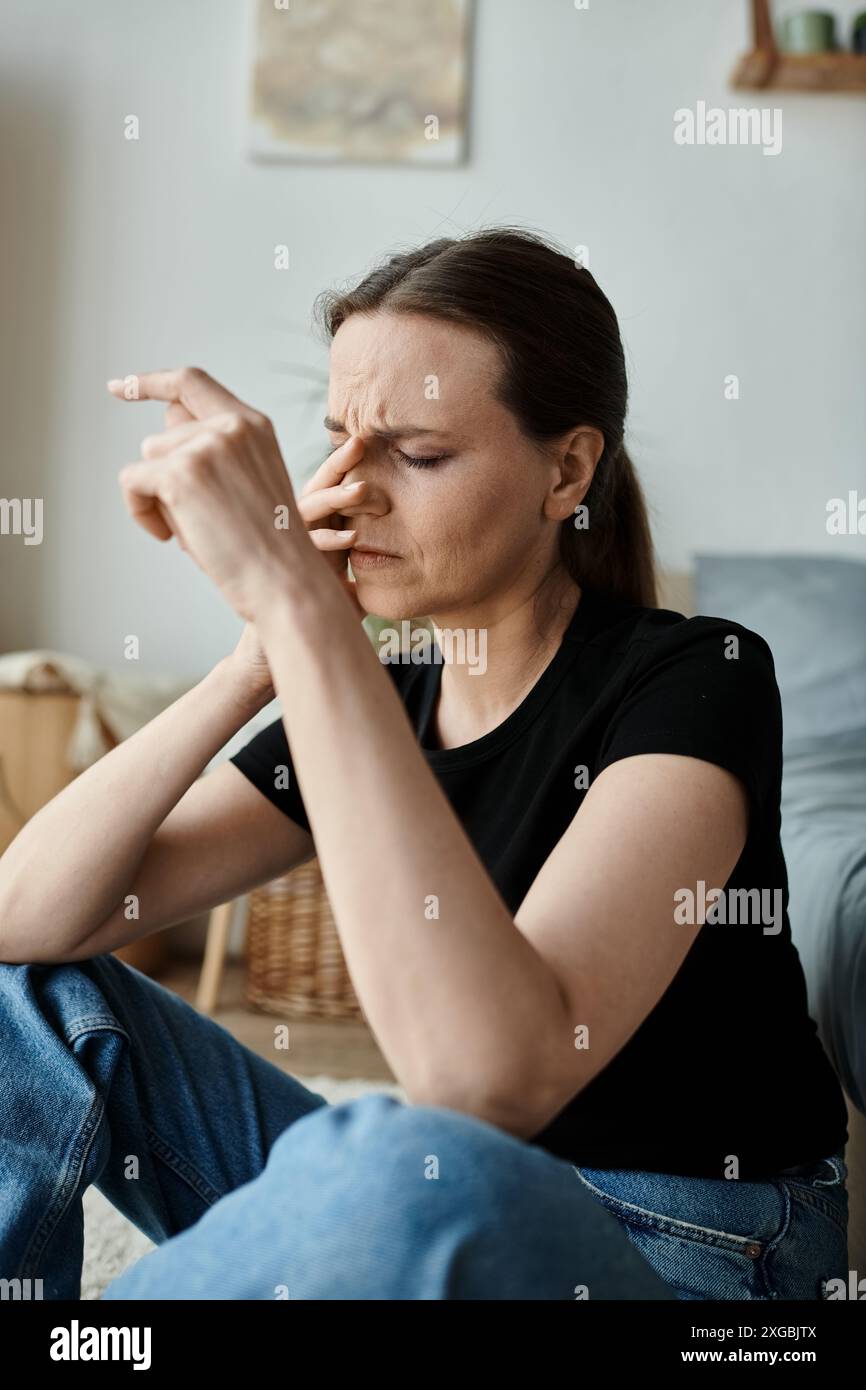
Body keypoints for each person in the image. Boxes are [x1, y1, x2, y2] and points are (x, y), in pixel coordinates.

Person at [0, 227, 848, 1301]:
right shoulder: (384, 700)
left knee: (400, 1160)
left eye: (418, 453)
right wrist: (251, 665)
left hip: (695, 1250)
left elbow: (488, 1083)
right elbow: (23, 920)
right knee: (32, 998)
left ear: (566, 470)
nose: (350, 490)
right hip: (459, 1189)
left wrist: (302, 614)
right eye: (339, 442)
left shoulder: (694, 675)